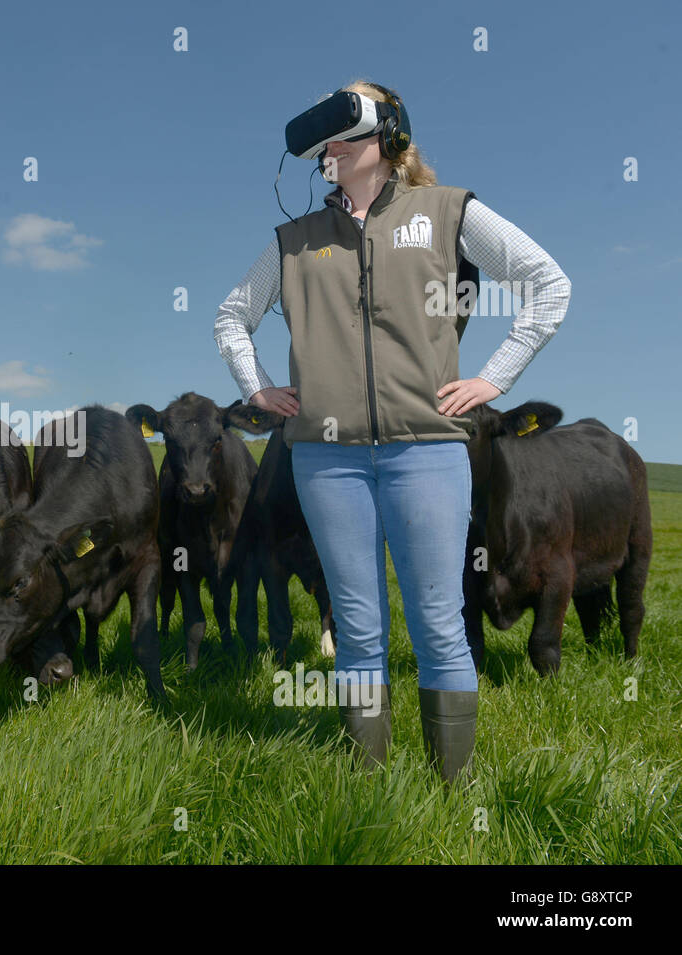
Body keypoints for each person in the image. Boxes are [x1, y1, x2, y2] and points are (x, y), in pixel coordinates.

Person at [214, 80, 570, 784]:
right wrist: (256, 387)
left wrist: (494, 378)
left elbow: (547, 281)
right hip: (325, 459)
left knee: (439, 622)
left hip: (427, 452)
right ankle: (372, 794)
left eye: (346, 128)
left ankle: (450, 794)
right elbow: (231, 317)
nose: (332, 146)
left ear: (391, 134)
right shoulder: (295, 241)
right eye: (326, 137)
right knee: (356, 627)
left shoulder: (447, 212)